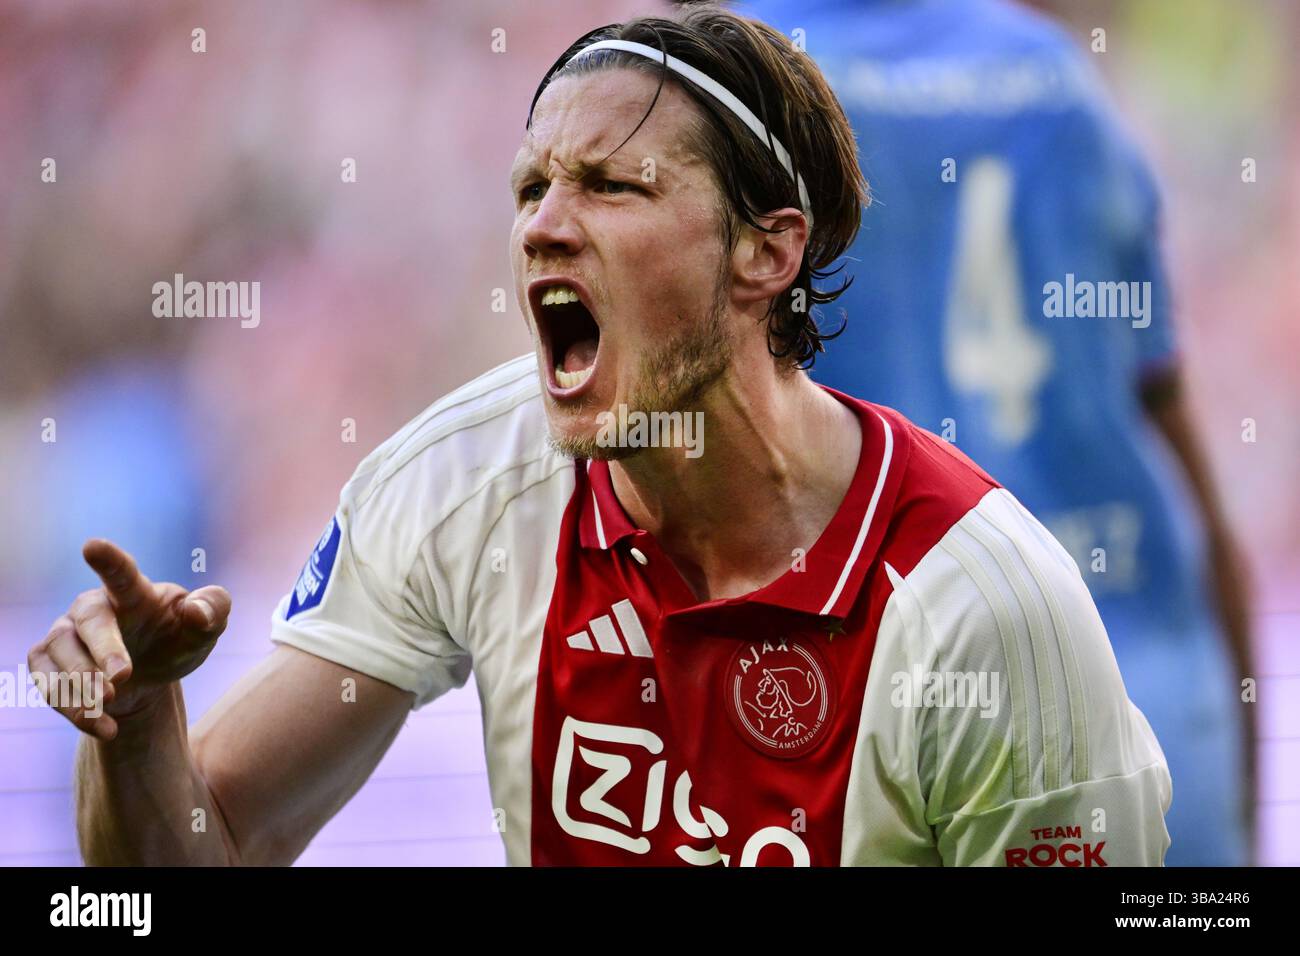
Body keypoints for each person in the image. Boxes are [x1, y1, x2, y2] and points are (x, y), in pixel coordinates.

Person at [30, 5, 1171, 866]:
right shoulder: (466, 484)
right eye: (531, 187)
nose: (543, 225)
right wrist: (134, 728)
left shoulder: (984, 609)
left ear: (767, 252)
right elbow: (199, 847)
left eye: (610, 185)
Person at [741, 0, 1253, 865]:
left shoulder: (734, 78)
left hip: (890, 736)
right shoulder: (1058, 71)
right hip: (1155, 706)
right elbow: (1168, 426)